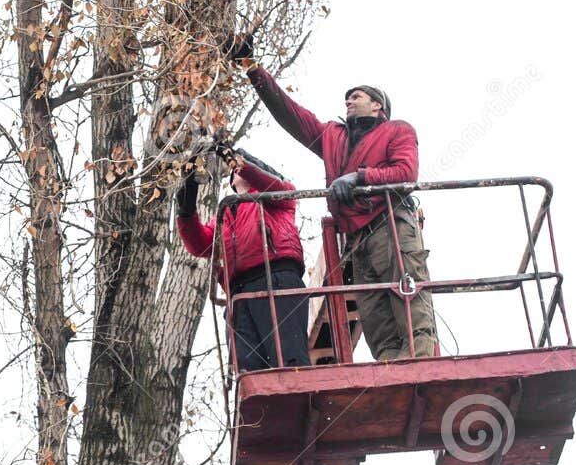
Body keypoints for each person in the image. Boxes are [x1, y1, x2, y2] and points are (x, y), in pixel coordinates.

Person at [228, 34, 437, 362]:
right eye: (347, 98)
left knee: (407, 298)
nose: (348, 101)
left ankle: (421, 364)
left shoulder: (397, 130)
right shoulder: (333, 137)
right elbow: (291, 114)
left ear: (378, 105)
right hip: (356, 239)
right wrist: (252, 69)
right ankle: (389, 369)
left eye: (356, 96)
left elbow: (405, 173)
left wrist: (360, 177)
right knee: (375, 314)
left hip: (390, 226)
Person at [175, 148, 312, 372]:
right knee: (247, 369)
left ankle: (298, 402)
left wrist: (237, 158)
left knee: (288, 359)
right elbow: (200, 245)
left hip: (276, 279)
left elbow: (266, 180)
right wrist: (186, 209)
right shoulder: (226, 213)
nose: (235, 171)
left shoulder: (277, 195)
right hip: (239, 293)